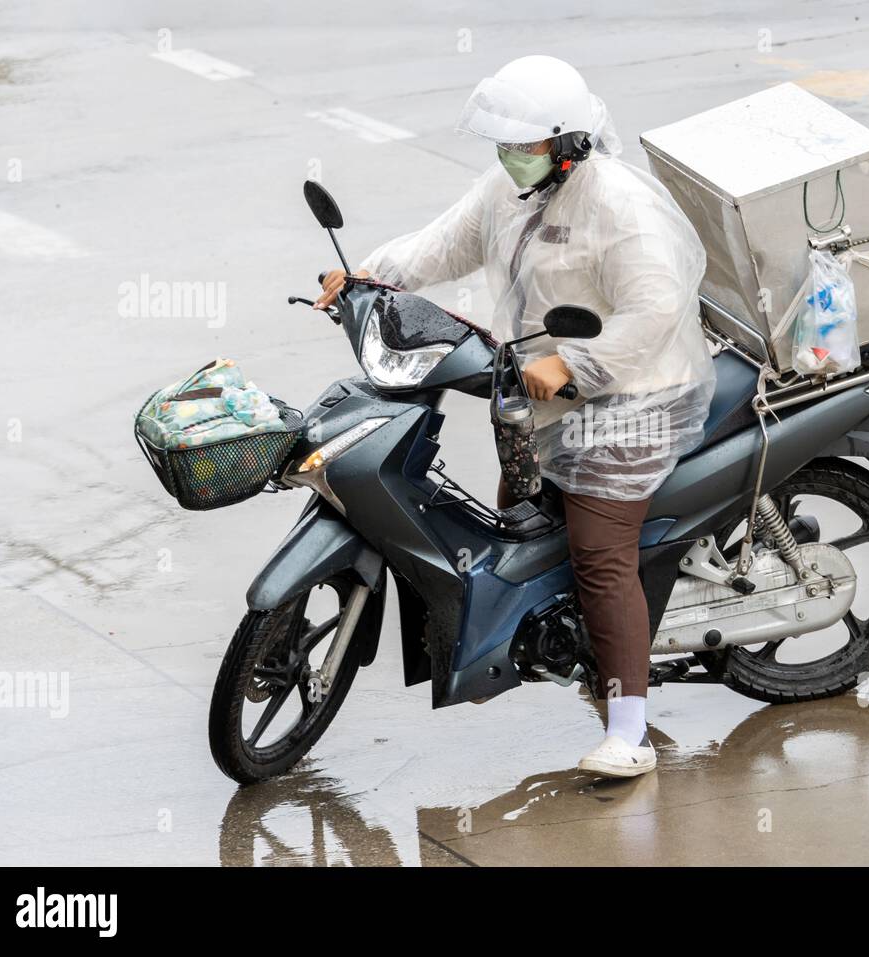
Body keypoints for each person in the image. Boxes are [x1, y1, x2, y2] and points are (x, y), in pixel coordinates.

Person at [316, 55, 714, 778]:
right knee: (518, 508)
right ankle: (554, 641)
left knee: (597, 550)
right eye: (504, 144)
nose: (510, 157)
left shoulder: (621, 207)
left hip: (637, 396)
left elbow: (656, 309)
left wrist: (578, 366)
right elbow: (442, 244)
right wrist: (367, 277)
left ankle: (630, 731)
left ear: (570, 145)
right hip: (548, 389)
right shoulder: (509, 192)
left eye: (525, 146)